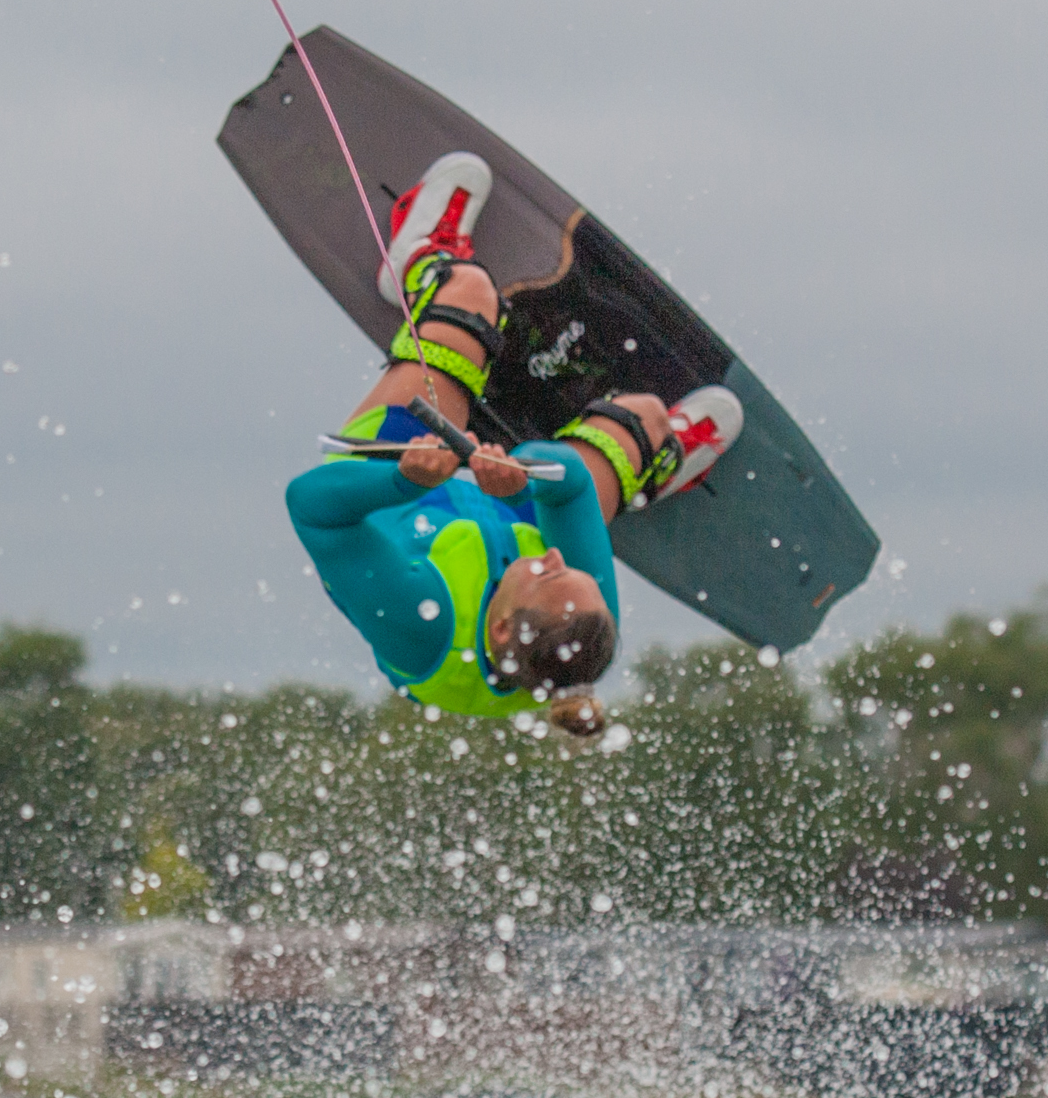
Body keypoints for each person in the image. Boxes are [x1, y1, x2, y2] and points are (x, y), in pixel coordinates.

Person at [285, 152, 741, 735]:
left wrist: (405, 477)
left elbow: (313, 509)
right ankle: (654, 465)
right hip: (509, 504)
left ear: (502, 630)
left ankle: (415, 262)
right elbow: (568, 489)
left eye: (552, 572)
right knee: (645, 417)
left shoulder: (420, 623)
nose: (560, 560)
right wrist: (529, 471)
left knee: (471, 293)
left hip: (410, 490)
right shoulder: (582, 618)